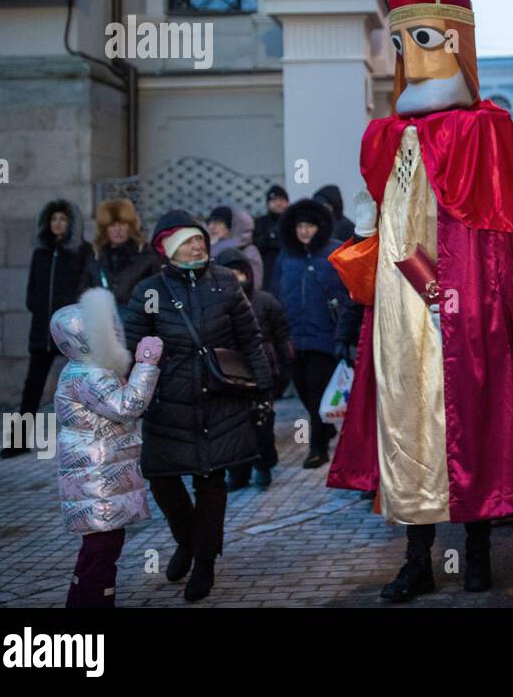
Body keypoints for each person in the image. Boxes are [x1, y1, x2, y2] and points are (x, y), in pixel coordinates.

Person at [327, 0, 513, 600]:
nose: (409, 52)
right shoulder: (385, 136)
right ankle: (417, 560)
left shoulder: (487, 128)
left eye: (422, 38)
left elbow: (509, 231)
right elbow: (386, 226)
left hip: (467, 308)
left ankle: (479, 550)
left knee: (477, 422)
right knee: (408, 429)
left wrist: (495, 307)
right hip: (401, 313)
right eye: (401, 40)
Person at [122, 211, 273, 602]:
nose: (198, 245)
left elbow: (249, 337)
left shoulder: (224, 281)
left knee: (211, 481)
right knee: (162, 477)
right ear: (169, 247)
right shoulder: (149, 291)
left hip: (219, 395)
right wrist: (130, 391)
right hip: (167, 401)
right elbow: (132, 348)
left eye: (200, 240)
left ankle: (204, 561)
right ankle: (187, 540)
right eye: (189, 240)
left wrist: (263, 386)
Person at [51, 289, 162, 607]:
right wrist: (146, 364)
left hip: (99, 471)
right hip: (98, 475)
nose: (114, 331)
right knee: (102, 548)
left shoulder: (83, 369)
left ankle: (85, 599)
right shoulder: (89, 374)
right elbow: (127, 406)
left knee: (101, 546)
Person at [3, 200, 88, 458]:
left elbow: (87, 285)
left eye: (62, 219)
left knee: (82, 384)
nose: (58, 224)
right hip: (42, 330)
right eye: (54, 219)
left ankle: (86, 437)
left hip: (71, 330)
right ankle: (19, 440)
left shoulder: (82, 251)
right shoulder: (40, 253)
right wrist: (40, 309)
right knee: (33, 386)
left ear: (70, 223)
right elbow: (32, 290)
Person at [272, 197, 347, 470]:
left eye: (310, 226)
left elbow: (346, 296)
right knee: (303, 391)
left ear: (320, 227)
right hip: (293, 337)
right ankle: (324, 428)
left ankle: (317, 448)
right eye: (300, 225)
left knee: (316, 391)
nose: (304, 231)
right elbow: (276, 293)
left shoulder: (335, 252)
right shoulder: (286, 256)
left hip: (324, 337)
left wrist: (342, 335)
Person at [216, 247, 291, 490]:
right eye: (231, 273)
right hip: (230, 375)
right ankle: (238, 472)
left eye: (241, 272)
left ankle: (263, 467)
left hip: (261, 371)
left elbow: (281, 336)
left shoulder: (265, 301)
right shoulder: (216, 305)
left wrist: (284, 368)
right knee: (234, 427)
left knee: (262, 423)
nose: (237, 278)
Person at [79, 199, 160, 306]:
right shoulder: (95, 258)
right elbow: (84, 294)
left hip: (136, 319)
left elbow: (155, 298)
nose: (118, 229)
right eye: (112, 225)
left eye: (122, 224)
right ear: (105, 229)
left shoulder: (147, 257)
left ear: (131, 226)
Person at [206, 205, 264, 291]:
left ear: (232, 226)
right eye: (210, 222)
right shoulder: (209, 250)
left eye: (219, 222)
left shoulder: (248, 250)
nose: (212, 226)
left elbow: (255, 285)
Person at [253, 185, 288, 295]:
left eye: (281, 200)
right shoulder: (260, 223)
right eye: (274, 200)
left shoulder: (293, 222)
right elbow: (256, 246)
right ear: (268, 203)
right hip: (267, 271)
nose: (278, 203)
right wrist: (269, 237)